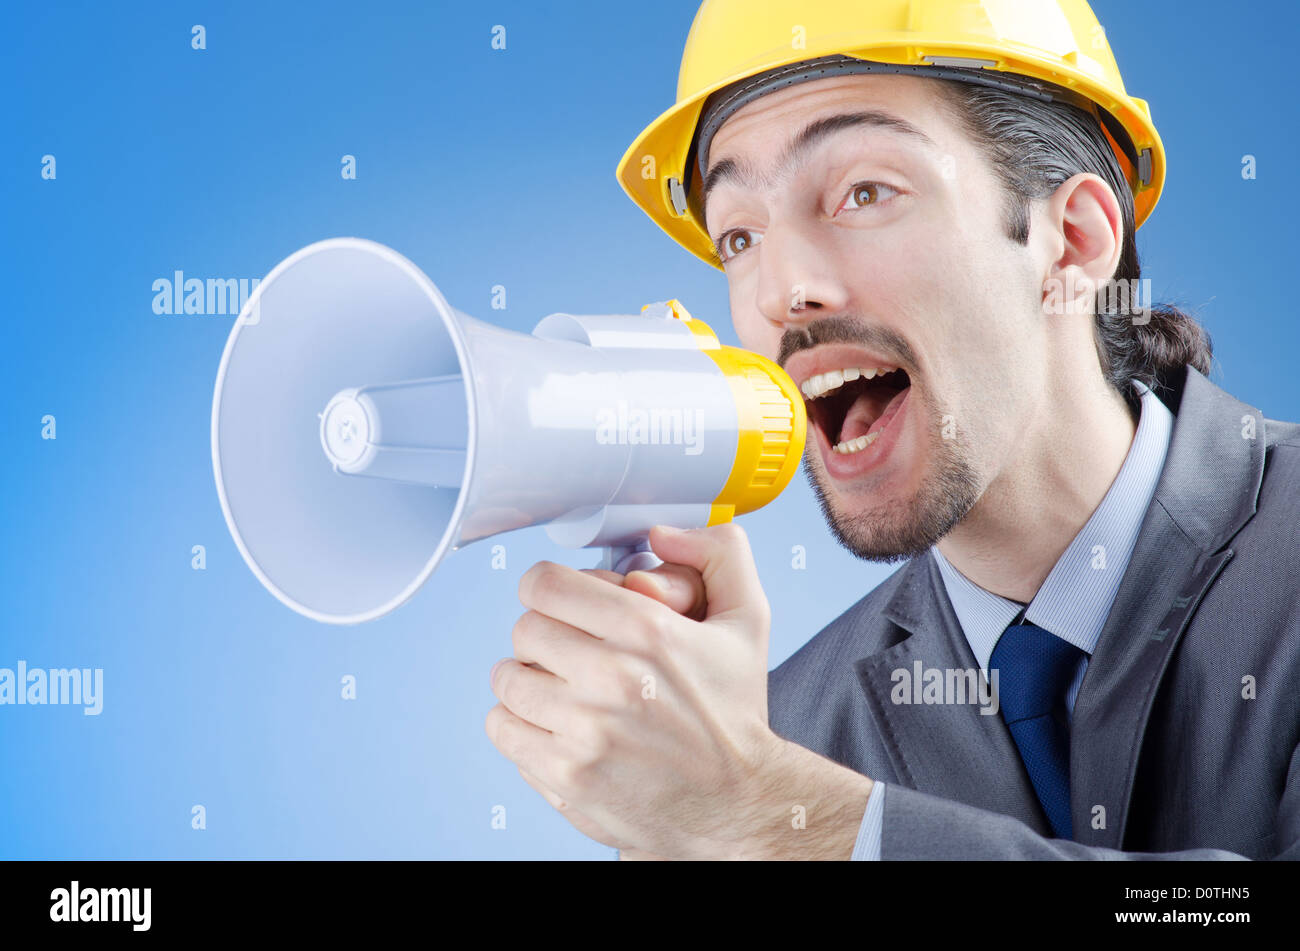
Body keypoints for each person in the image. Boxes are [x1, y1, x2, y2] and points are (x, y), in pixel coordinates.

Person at [484, 0, 1300, 859]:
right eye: (738, 236)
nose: (780, 293)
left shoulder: (768, 788)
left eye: (863, 192)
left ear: (1072, 242)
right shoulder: (782, 732)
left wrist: (781, 821)